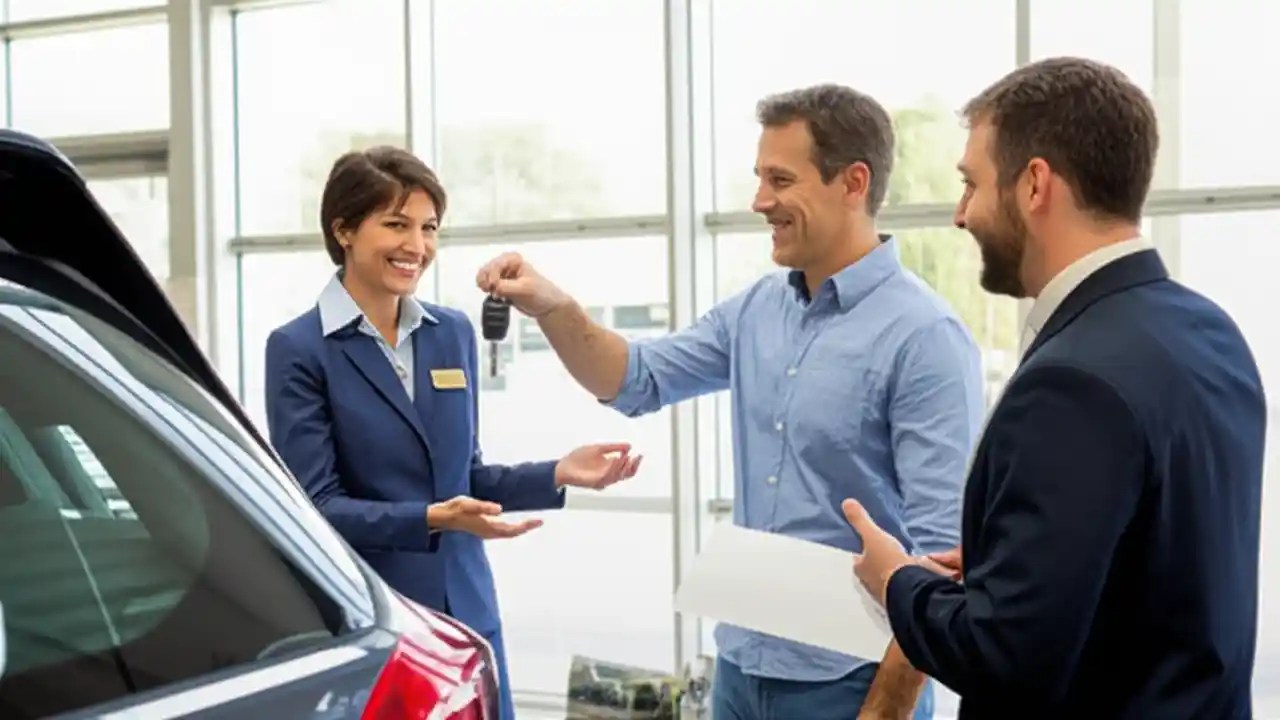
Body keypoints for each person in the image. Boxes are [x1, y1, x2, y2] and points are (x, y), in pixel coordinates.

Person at [476, 85, 985, 719]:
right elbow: (634, 379)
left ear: (852, 183)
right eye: (759, 178)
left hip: (850, 686)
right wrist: (552, 307)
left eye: (780, 179)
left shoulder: (925, 338)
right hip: (741, 671)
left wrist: (885, 709)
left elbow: (942, 558)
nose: (758, 201)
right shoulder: (756, 310)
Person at [844, 57, 1267, 718]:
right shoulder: (1210, 332)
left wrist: (895, 582)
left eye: (971, 184)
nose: (961, 215)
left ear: (1034, 184)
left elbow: (1006, 659)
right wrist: (999, 570)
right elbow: (1150, 570)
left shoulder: (1072, 382)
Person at [263, 146, 643, 720]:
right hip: (378, 617)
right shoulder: (299, 349)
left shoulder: (451, 333)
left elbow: (465, 475)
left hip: (467, 610)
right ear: (343, 230)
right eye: (396, 224)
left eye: (428, 227)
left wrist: (558, 473)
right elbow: (318, 508)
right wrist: (434, 519)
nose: (416, 246)